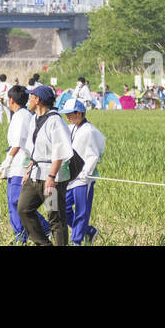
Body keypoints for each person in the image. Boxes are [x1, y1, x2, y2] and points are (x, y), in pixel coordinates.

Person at [0, 84, 50, 243]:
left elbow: (17, 142)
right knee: (14, 202)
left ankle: (41, 228)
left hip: (20, 165)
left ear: (10, 100)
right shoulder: (22, 114)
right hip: (17, 165)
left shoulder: (21, 116)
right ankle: (21, 237)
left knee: (17, 202)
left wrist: (7, 161)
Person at [17, 84, 73, 246]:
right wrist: (28, 169)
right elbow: (35, 150)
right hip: (35, 175)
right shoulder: (34, 119)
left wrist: (51, 177)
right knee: (24, 209)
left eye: (32, 97)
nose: (29, 99)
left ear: (38, 100)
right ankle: (43, 243)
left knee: (55, 217)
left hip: (51, 179)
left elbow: (60, 150)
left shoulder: (55, 121)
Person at [61, 96, 104, 244]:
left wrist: (86, 173)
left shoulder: (89, 131)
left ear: (79, 113)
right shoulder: (72, 127)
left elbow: (93, 155)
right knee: (63, 208)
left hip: (84, 178)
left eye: (70, 113)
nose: (67, 117)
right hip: (70, 176)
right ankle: (88, 231)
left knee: (81, 211)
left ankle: (76, 240)